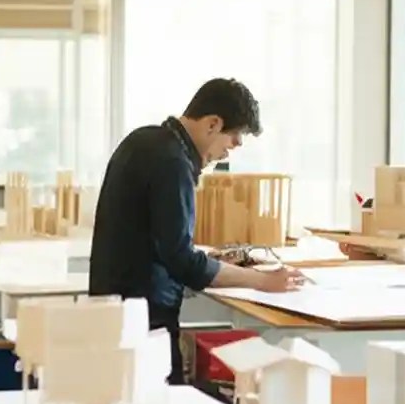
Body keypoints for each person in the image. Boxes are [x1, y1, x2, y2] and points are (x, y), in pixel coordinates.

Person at [89, 77, 304, 383]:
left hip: (118, 313)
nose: (230, 151)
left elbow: (158, 241)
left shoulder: (145, 141)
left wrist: (215, 262)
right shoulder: (172, 162)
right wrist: (263, 281)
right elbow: (182, 262)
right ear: (213, 124)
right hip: (143, 322)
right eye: (234, 138)